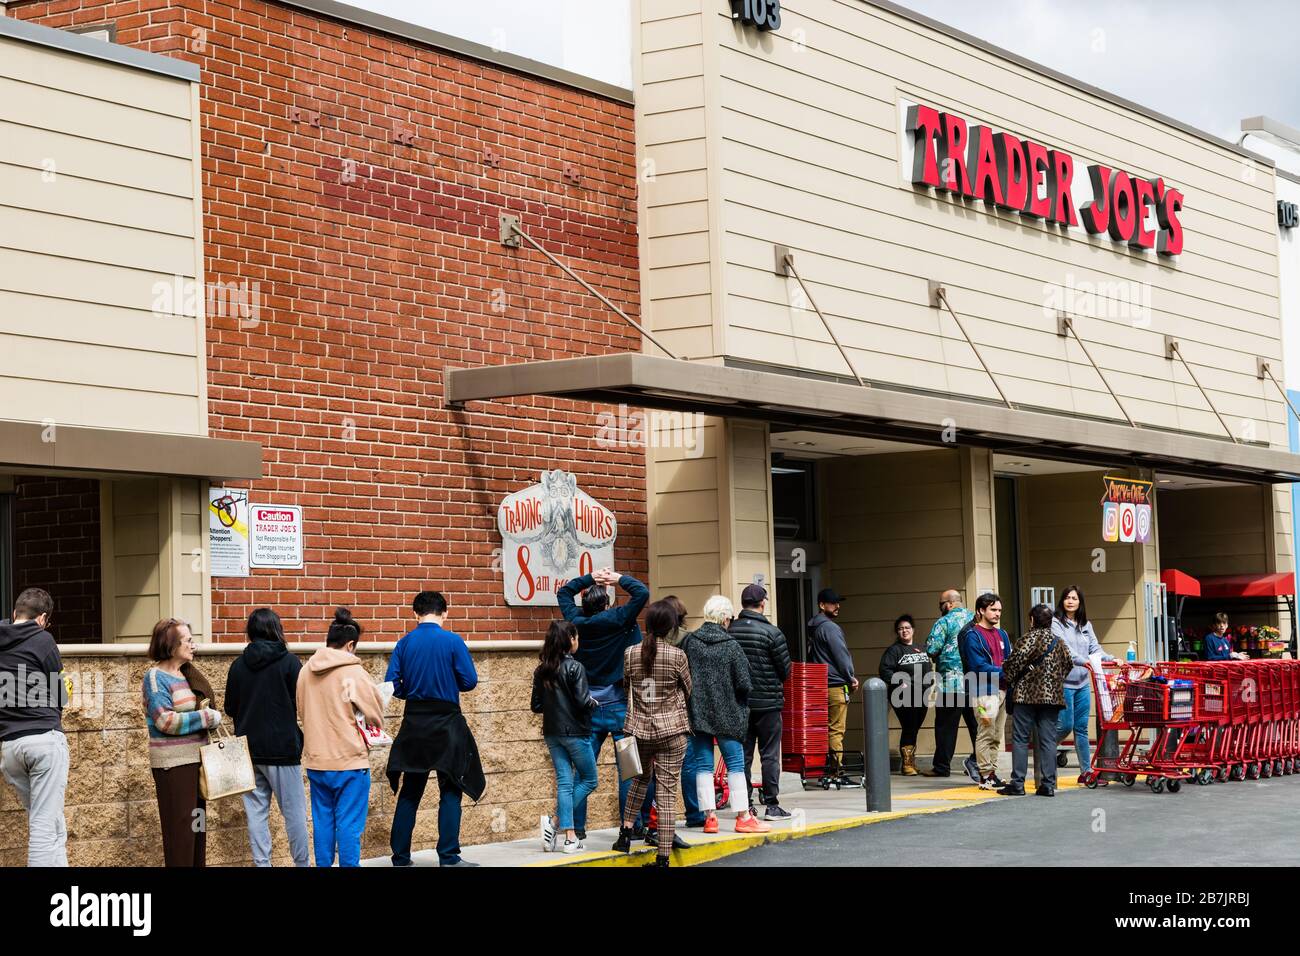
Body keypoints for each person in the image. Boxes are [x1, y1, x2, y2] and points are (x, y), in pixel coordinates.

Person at [385, 591, 485, 868]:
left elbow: (391, 684)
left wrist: (411, 691)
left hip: (415, 723)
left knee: (410, 791)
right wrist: (448, 684)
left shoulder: (404, 643)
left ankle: (401, 859)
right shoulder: (453, 641)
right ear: (445, 613)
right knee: (451, 789)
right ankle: (449, 858)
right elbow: (470, 681)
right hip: (447, 723)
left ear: (415, 614)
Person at [557, 567, 650, 840]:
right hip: (620, 706)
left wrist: (590, 578)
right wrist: (618, 578)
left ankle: (577, 828)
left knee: (584, 773)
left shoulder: (576, 623)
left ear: (584, 604)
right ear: (607, 603)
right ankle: (630, 827)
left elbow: (563, 592)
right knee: (629, 771)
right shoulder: (619, 618)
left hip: (588, 708)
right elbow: (641, 592)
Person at [297, 608, 386, 868]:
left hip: (316, 760)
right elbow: (375, 714)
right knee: (348, 824)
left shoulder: (305, 672)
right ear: (350, 645)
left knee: (323, 821)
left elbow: (302, 712)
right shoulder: (354, 673)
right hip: (349, 761)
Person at [224, 607, 310, 866]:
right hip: (283, 749)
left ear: (250, 631)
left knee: (256, 815)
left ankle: (263, 864)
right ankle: (302, 864)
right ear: (276, 629)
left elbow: (230, 708)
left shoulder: (238, 666)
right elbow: (302, 701)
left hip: (248, 751)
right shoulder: (290, 662)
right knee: (294, 814)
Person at [612, 600, 692, 867]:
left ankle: (625, 834)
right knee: (667, 795)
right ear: (671, 626)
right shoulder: (676, 655)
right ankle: (663, 858)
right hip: (671, 731)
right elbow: (688, 689)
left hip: (638, 729)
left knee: (638, 780)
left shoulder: (631, 653)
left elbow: (627, 688)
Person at [683, 595, 768, 834]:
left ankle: (709, 817)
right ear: (725, 619)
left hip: (697, 713)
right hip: (728, 714)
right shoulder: (731, 646)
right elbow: (744, 683)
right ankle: (743, 816)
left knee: (703, 766)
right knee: (736, 765)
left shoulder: (691, 642)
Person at [143, 617, 222, 867]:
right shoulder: (155, 678)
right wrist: (206, 717)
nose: (193, 645)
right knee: (181, 836)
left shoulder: (188, 674)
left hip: (197, 764)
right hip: (173, 767)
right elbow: (164, 721)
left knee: (197, 831)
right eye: (187, 640)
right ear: (171, 645)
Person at [0, 588, 69, 866]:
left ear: (15, 613)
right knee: (43, 828)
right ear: (42, 619)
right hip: (43, 741)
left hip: (10, 749)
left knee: (52, 822)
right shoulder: (42, 639)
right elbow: (61, 692)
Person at [531, 620, 597, 854]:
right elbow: (581, 702)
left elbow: (536, 705)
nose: (577, 640)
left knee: (565, 783)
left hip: (552, 732)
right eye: (576, 637)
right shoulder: (574, 667)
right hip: (575, 732)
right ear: (570, 639)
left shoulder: (542, 669)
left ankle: (567, 835)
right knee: (590, 779)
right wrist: (592, 703)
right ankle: (558, 825)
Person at [729, 583, 792, 818]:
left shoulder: (731, 631)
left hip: (740, 704)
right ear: (763, 603)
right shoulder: (773, 633)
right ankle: (772, 804)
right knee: (769, 754)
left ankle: (746, 804)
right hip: (768, 704)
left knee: (743, 755)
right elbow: (785, 671)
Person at [999, 604, 1073, 797]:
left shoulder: (1027, 639)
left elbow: (1012, 665)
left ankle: (1018, 784)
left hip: (1026, 697)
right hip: (1052, 698)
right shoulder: (1059, 642)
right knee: (1048, 740)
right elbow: (1069, 664)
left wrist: (1014, 677)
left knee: (1021, 738)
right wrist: (1054, 680)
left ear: (1032, 620)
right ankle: (1048, 784)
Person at [1052, 586, 1114, 786]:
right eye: (1067, 598)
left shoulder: (1086, 624)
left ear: (1080, 602)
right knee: (1065, 726)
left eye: (1074, 598)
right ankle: (1046, 748)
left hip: (1083, 683)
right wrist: (1084, 661)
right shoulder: (1056, 623)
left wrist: (1110, 658)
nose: (1070, 601)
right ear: (1062, 601)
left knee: (1081, 728)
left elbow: (1095, 648)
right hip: (1064, 683)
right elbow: (1064, 649)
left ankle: (1086, 772)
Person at [958, 593, 1012, 790]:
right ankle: (985, 775)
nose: (997, 614)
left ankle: (992, 774)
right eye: (993, 610)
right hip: (982, 692)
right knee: (985, 732)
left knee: (997, 735)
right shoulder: (972, 635)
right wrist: (1004, 671)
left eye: (999, 610)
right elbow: (977, 666)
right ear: (981, 610)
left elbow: (1010, 660)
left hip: (1002, 690)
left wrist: (1008, 673)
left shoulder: (1003, 634)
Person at [924, 588, 978, 780]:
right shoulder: (976, 620)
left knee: (946, 726)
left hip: (951, 684)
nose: (941, 607)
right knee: (977, 725)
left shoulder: (944, 621)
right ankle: (981, 763)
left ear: (949, 604)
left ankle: (941, 767)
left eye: (941, 604)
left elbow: (932, 648)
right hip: (974, 683)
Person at [662, 594, 706, 830]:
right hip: (682, 710)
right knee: (689, 764)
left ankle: (651, 819)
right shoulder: (688, 641)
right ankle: (694, 813)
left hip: (655, 710)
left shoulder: (651, 642)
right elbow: (691, 680)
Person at [807, 587, 857, 780]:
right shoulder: (830, 628)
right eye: (833, 603)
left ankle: (826, 768)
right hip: (835, 685)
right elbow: (841, 656)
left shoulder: (814, 627)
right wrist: (850, 677)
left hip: (820, 685)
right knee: (836, 730)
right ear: (822, 605)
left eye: (838, 603)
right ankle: (837, 771)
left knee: (824, 728)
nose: (837, 606)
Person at [878, 614, 932, 776]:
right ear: (897, 632)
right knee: (909, 726)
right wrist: (899, 681)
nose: (904, 631)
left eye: (907, 628)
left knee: (914, 727)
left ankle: (911, 762)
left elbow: (928, 668)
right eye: (900, 629)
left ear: (913, 630)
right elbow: (884, 670)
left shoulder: (920, 648)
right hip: (902, 695)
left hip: (921, 695)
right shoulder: (894, 650)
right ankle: (906, 765)